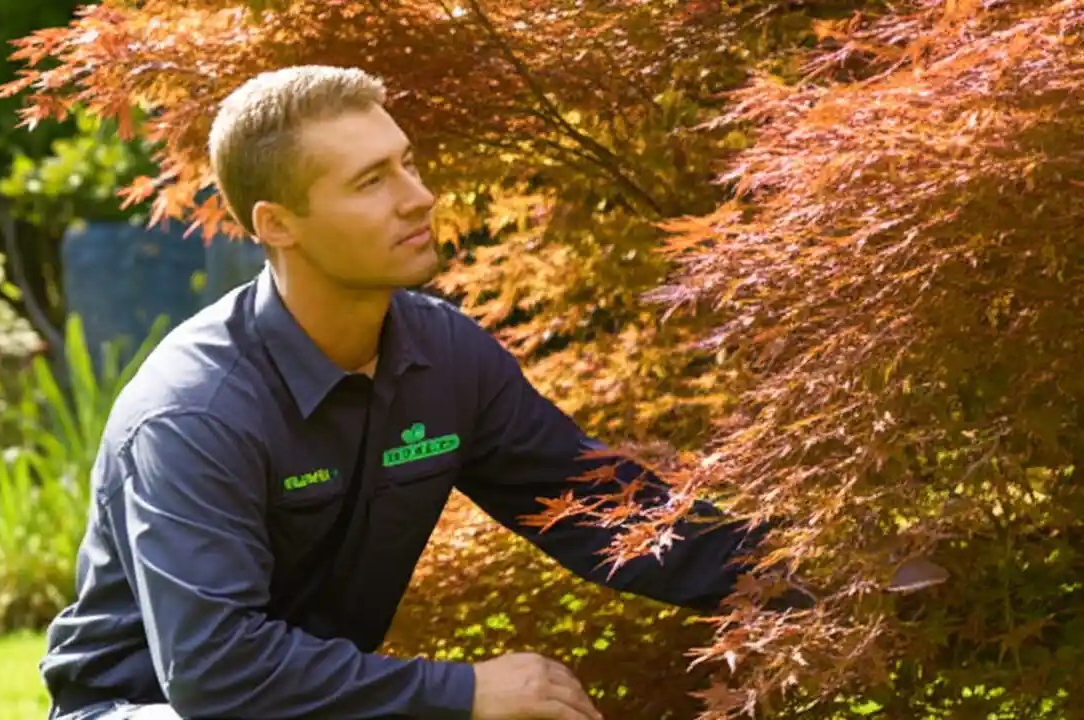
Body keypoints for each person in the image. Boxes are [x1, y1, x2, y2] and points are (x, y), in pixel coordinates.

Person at [39, 65, 790, 720]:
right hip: (140, 708)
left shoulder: (444, 356)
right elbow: (216, 672)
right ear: (277, 224)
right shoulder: (197, 413)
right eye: (372, 182)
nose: (419, 197)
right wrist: (462, 694)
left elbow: (603, 510)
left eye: (407, 164)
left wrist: (820, 577)